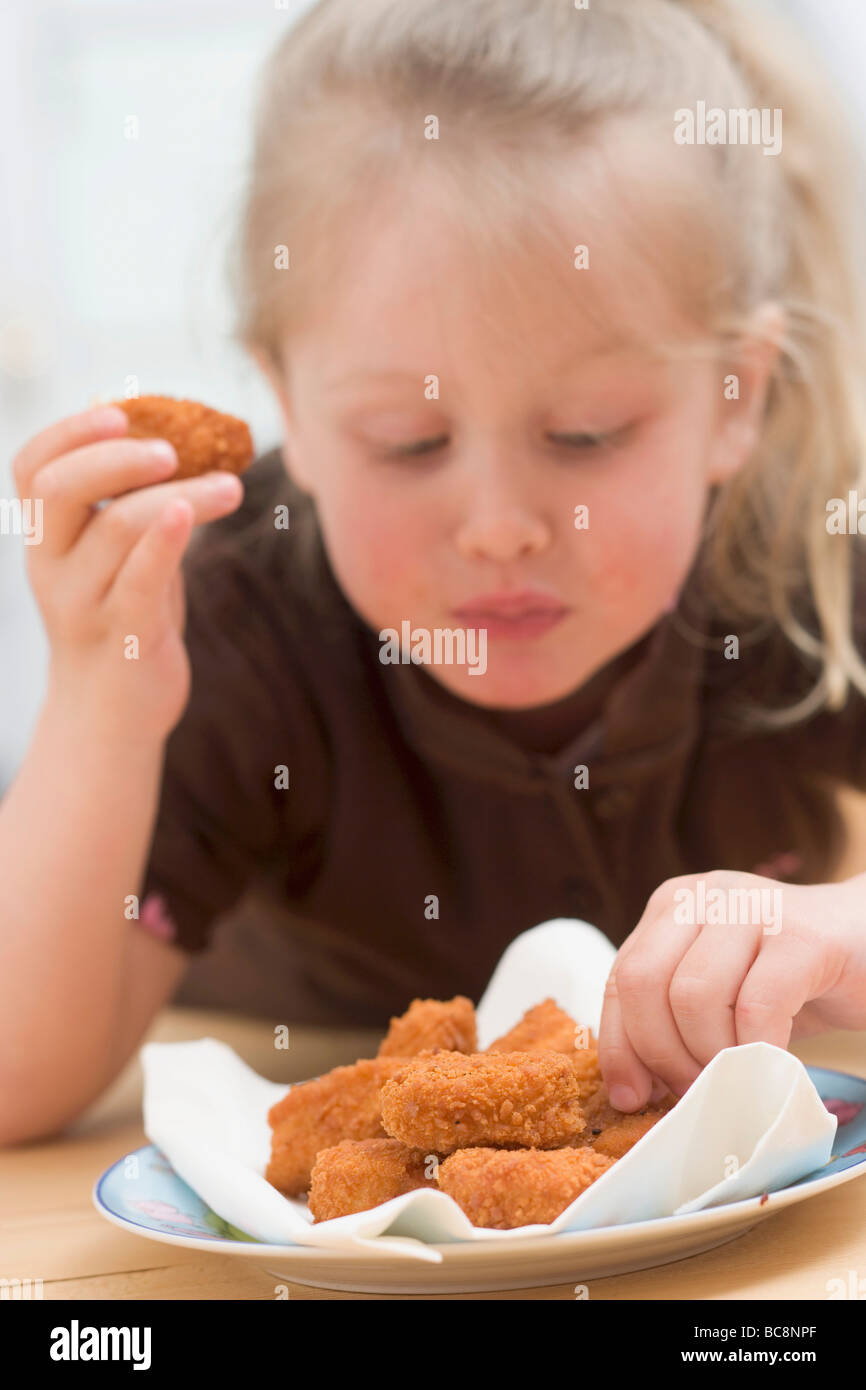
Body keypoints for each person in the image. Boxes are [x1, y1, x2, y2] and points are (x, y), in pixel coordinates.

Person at [2, 0, 866, 1145]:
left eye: (586, 433)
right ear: (291, 407)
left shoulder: (798, 553)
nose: (501, 528)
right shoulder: (238, 614)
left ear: (734, 397)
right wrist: (101, 707)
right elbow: (15, 1080)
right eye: (407, 444)